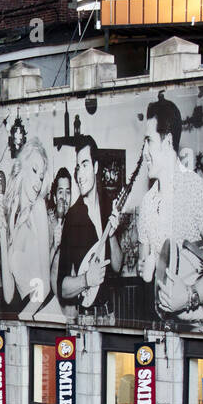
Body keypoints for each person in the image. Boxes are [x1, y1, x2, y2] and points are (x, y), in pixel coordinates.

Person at [134, 93, 203, 330]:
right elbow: (147, 269)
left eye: (149, 141)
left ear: (167, 140)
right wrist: (146, 267)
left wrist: (191, 295)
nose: (144, 152)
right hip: (167, 330)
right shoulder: (147, 204)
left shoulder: (192, 187)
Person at [57, 134, 122, 321]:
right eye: (78, 167)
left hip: (110, 315)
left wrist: (112, 234)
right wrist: (86, 280)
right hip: (86, 319)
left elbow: (117, 266)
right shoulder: (73, 217)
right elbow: (63, 288)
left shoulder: (108, 206)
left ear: (95, 167)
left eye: (85, 165)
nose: (79, 174)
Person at [0, 136, 60, 321]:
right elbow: (8, 294)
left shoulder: (38, 207)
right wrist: (2, 231)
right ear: (22, 168)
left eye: (41, 176)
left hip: (46, 313)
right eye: (34, 170)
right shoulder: (13, 215)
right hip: (29, 315)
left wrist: (22, 318)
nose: (38, 182)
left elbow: (45, 287)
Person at [47, 166, 73, 289]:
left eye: (68, 192)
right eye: (60, 192)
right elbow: (39, 270)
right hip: (50, 300)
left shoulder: (74, 223)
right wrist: (54, 247)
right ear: (54, 197)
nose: (64, 197)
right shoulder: (47, 223)